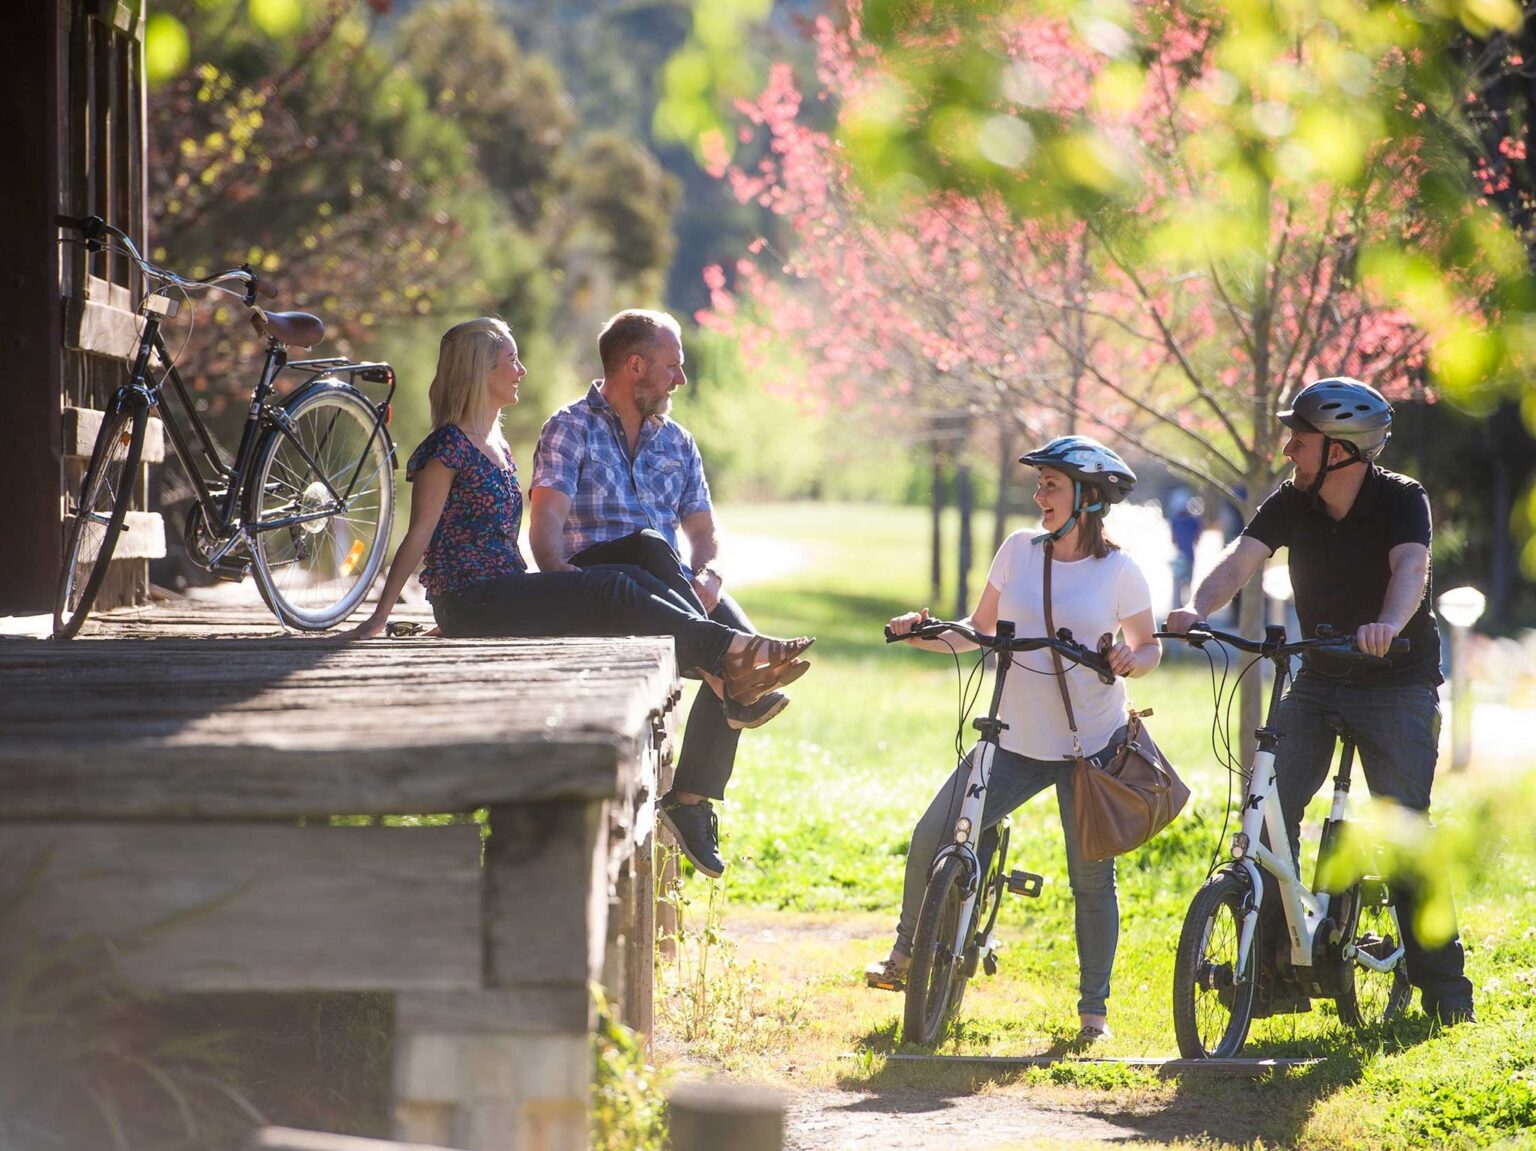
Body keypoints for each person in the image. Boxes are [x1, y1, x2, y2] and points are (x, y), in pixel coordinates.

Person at [1165, 376, 1476, 1026]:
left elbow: (1410, 571)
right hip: (1321, 675)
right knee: (1269, 807)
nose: (1287, 449)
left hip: (1396, 679)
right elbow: (1238, 560)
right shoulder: (1292, 500)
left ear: (1340, 449)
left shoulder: (1399, 499)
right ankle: (1276, 971)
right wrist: (1197, 606)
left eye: (1299, 439)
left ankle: (1446, 992)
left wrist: (1387, 624)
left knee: (1406, 829)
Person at [346, 317, 812, 713]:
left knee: (642, 557)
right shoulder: (446, 448)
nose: (521, 370)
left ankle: (726, 666)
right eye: (511, 360)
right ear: (480, 370)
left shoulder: (499, 448)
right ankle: (731, 653)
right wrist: (379, 616)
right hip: (472, 600)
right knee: (610, 586)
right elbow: (419, 534)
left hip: (499, 593)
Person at [865, 435, 1161, 1046]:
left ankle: (1094, 1014)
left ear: (1088, 499)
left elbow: (1148, 646)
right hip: (1014, 739)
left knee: (1090, 881)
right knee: (933, 831)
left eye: (1052, 484)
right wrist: (921, 634)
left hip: (1090, 751)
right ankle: (905, 955)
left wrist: (1133, 658)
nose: (1039, 494)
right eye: (1041, 483)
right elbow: (979, 632)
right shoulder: (1018, 552)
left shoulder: (1120, 572)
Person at [529, 309, 792, 880]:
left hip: (664, 584)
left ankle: (691, 799)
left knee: (720, 621)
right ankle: (733, 679)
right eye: (673, 366)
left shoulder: (678, 441)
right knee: (652, 549)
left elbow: (703, 535)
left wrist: (711, 574)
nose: (682, 380)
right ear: (635, 366)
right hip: (597, 586)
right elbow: (545, 525)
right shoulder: (569, 427)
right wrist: (557, 578)